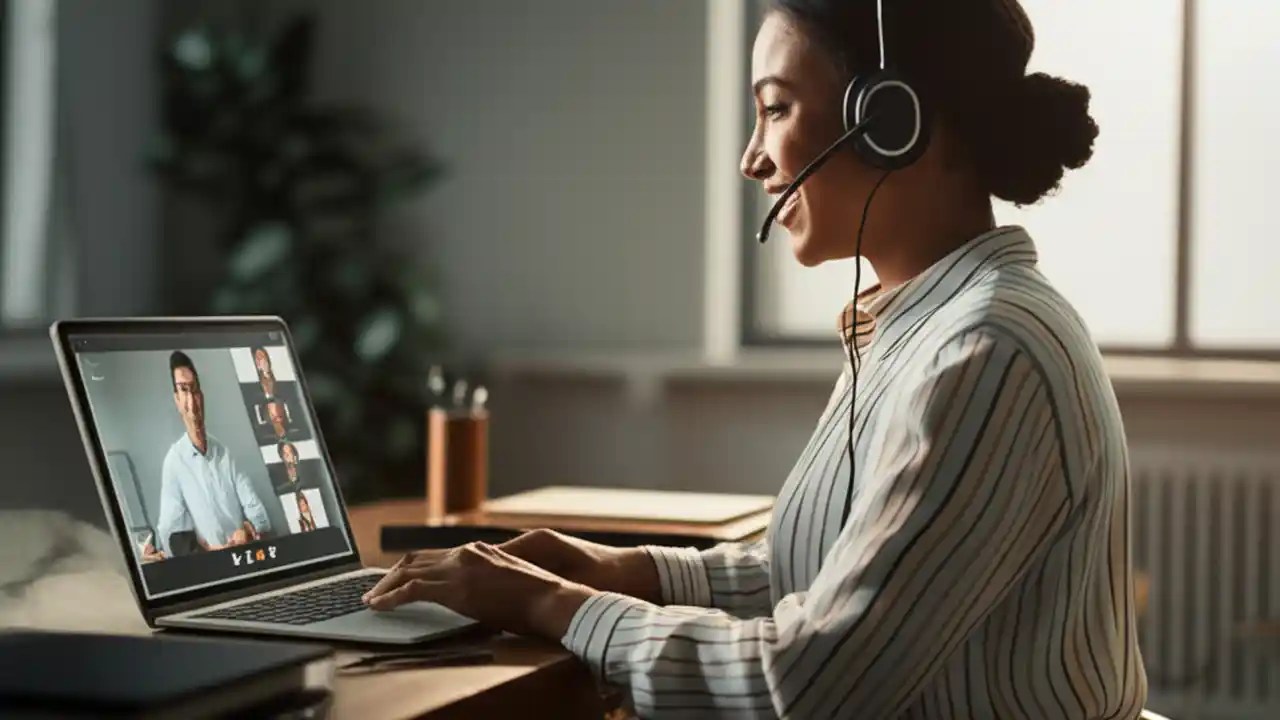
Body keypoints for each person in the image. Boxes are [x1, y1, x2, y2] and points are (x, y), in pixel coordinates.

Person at [362, 1, 1147, 717]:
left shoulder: (985, 353)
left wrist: (552, 607)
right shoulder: (918, 328)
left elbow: (808, 681)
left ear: (888, 120)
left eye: (775, 108)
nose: (752, 158)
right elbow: (824, 580)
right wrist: (616, 568)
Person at [156, 351, 272, 555]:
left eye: (194, 390)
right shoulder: (174, 462)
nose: (191, 404)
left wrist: (246, 528)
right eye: (183, 391)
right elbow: (170, 533)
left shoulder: (225, 453)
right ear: (177, 400)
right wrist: (208, 550)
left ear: (202, 396)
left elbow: (260, 516)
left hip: (244, 556)